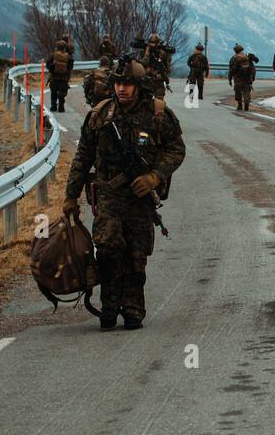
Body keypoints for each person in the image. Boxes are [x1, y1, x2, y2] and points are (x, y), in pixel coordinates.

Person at [63, 57, 186, 330]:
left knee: (136, 254)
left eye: (128, 84)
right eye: (118, 83)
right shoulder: (100, 115)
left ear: (139, 86)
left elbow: (177, 149)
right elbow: (82, 158)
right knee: (107, 248)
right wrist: (70, 196)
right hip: (108, 195)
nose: (122, 88)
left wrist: (154, 177)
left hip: (140, 198)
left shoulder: (157, 114)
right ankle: (109, 305)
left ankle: (132, 308)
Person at [140, 33, 172, 99]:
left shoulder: (163, 53)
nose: (153, 45)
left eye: (155, 42)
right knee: (145, 102)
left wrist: (158, 75)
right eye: (151, 42)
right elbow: (141, 65)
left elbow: (168, 69)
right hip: (147, 82)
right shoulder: (144, 52)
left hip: (158, 82)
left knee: (159, 103)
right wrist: (147, 54)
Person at [45, 38, 73, 112]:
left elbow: (48, 65)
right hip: (64, 78)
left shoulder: (53, 55)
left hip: (54, 77)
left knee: (53, 92)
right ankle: (61, 107)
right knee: (62, 93)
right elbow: (70, 67)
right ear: (65, 47)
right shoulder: (68, 56)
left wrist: (52, 69)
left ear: (57, 47)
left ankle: (53, 107)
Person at [228, 43, 256, 110]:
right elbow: (253, 68)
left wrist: (230, 79)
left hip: (238, 78)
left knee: (238, 90)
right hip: (247, 77)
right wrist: (253, 78)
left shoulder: (233, 58)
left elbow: (231, 69)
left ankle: (239, 104)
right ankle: (246, 104)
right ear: (242, 50)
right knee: (246, 91)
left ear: (235, 51)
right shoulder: (247, 57)